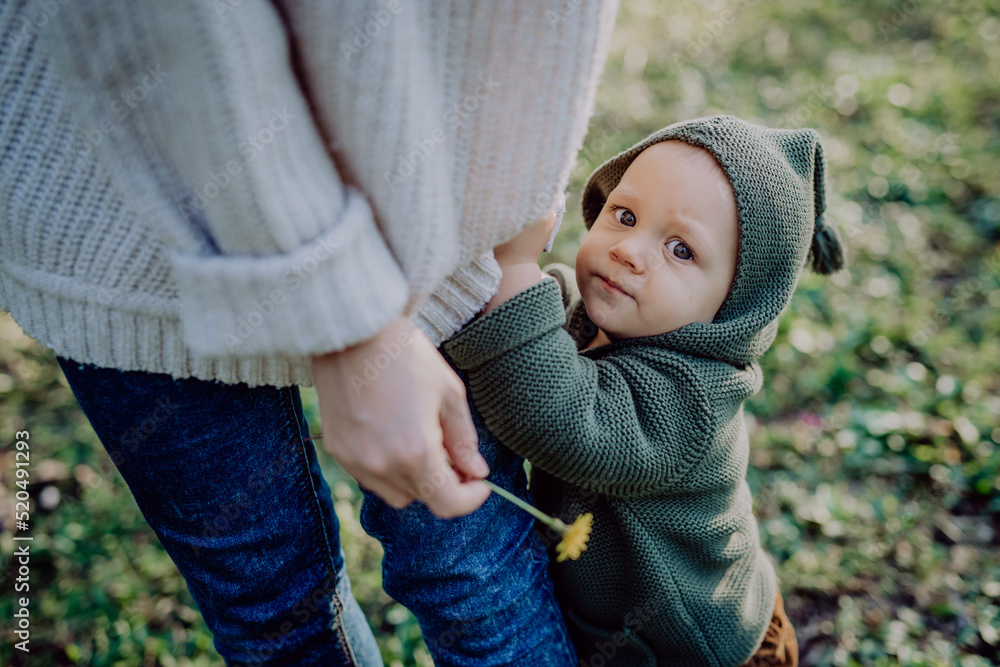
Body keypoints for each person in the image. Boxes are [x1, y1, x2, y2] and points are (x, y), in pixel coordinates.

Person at [0, 0, 620, 663]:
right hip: (133, 238)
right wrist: (348, 319)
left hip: (435, 214)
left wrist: (522, 185)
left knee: (473, 579)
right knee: (281, 608)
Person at [365, 114, 845, 666]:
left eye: (681, 250)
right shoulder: (594, 315)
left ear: (731, 311)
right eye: (625, 215)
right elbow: (535, 330)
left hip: (703, 650)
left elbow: (558, 419)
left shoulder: (692, 400)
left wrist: (517, 267)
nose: (629, 250)